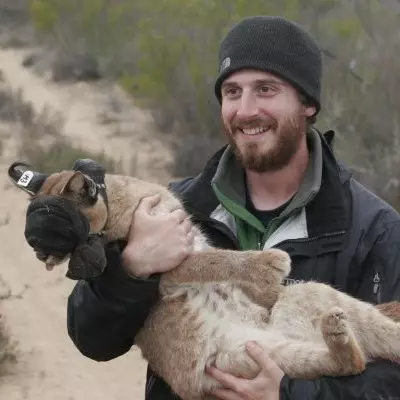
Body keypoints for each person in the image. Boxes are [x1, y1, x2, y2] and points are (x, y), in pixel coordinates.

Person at [24, 16, 400, 400]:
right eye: (232, 92)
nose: (246, 110)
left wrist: (291, 394)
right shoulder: (174, 209)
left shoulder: (373, 229)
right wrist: (132, 268)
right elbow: (93, 340)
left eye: (266, 89)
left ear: (308, 104)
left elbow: (391, 383)